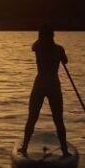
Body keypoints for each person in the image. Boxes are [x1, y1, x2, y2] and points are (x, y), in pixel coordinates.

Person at [19, 25, 70, 157]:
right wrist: (59, 56)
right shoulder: (59, 49)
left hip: (40, 84)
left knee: (32, 117)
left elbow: (33, 46)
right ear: (53, 36)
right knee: (58, 119)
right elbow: (65, 60)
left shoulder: (38, 48)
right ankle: (65, 151)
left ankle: (24, 148)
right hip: (53, 85)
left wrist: (41, 38)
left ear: (40, 36)